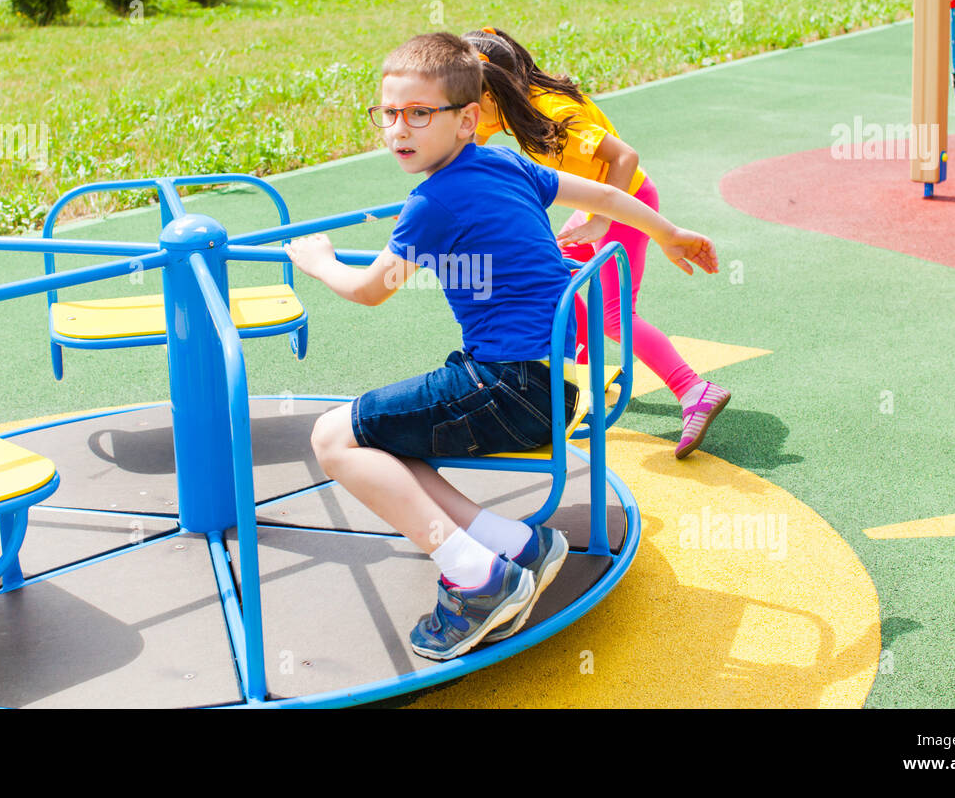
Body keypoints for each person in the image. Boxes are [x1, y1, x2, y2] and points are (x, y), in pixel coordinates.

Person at [284, 32, 718, 661]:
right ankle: (515, 544)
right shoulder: (506, 165)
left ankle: (476, 578)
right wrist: (668, 231)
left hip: (508, 390)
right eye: (390, 113)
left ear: (467, 120)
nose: (399, 129)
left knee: (333, 438)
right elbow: (602, 196)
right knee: (381, 437)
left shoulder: (431, 203)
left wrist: (318, 261)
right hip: (554, 385)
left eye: (419, 113)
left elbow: (370, 290)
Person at [464, 25, 731, 459]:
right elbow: (470, 153)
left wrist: (603, 220)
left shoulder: (553, 112)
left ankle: (694, 389)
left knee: (614, 316)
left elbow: (624, 156)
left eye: (467, 94)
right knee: (558, 279)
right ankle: (589, 374)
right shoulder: (506, 107)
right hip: (594, 207)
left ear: (492, 88)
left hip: (625, 203)